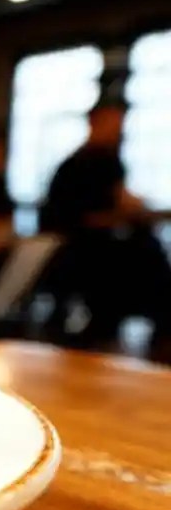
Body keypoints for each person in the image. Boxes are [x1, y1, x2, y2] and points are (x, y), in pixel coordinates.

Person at [40, 101, 169, 345]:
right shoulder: (75, 166)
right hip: (80, 246)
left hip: (103, 242)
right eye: (112, 122)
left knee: (147, 247)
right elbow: (67, 218)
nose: (117, 129)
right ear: (94, 122)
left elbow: (121, 201)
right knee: (137, 255)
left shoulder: (110, 162)